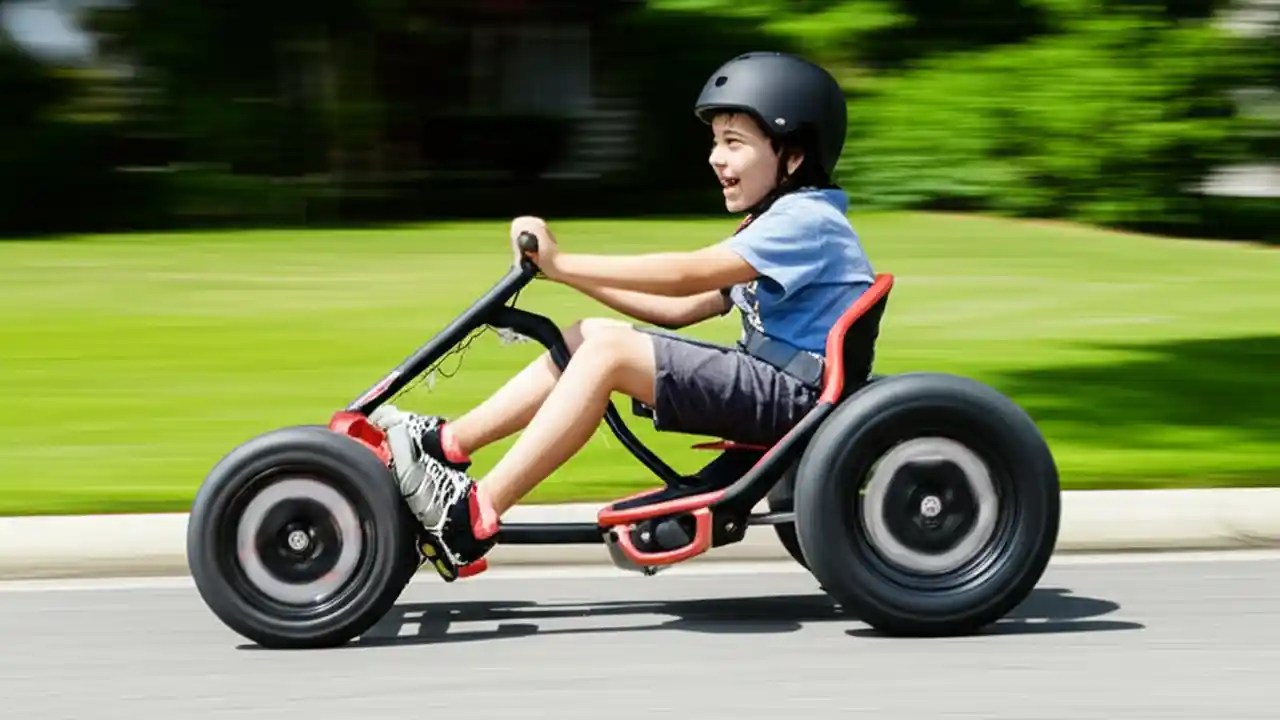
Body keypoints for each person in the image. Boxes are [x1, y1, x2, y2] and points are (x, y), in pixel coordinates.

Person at [369, 51, 875, 580]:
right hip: (771, 383)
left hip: (790, 396)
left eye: (734, 143)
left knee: (608, 352)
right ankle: (446, 446)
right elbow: (679, 310)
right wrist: (563, 275)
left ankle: (474, 515)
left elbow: (687, 274)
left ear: (792, 156)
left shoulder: (808, 221)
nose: (715, 159)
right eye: (715, 142)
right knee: (590, 334)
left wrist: (564, 260)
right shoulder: (778, 221)